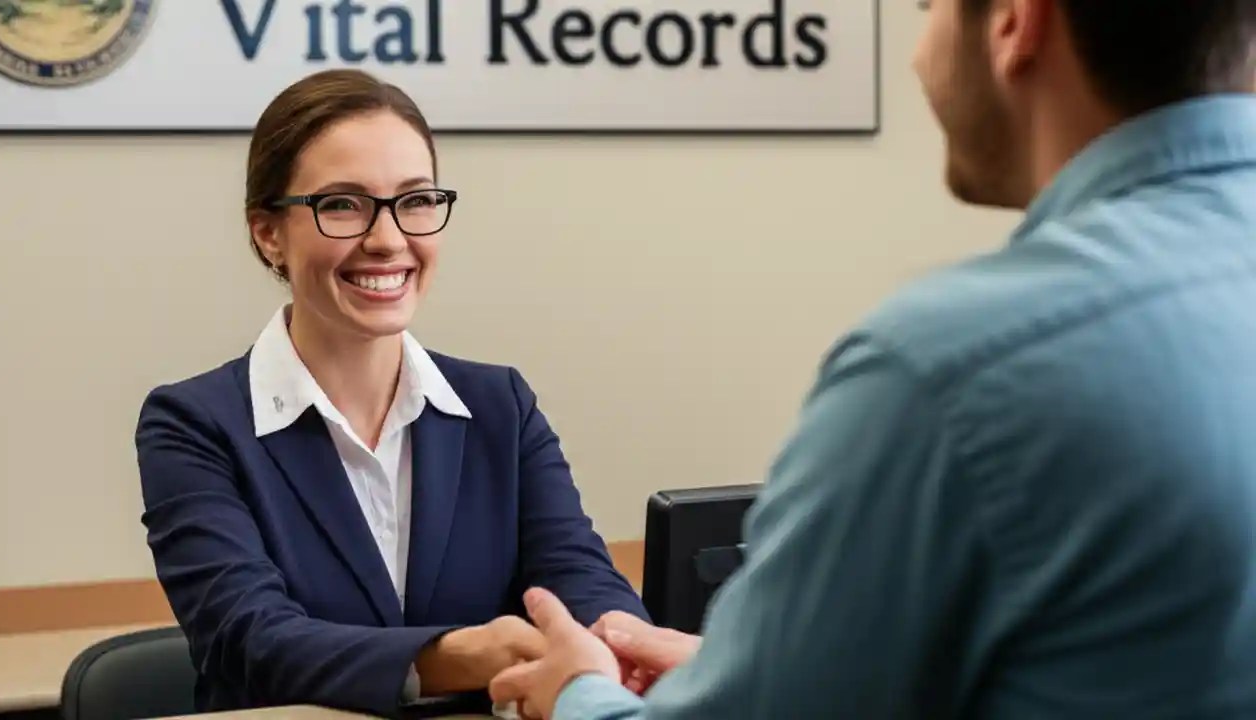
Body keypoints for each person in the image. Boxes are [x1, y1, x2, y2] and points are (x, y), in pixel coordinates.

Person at [489, 0, 1256, 717]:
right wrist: (757, 670)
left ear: (1016, 24)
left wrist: (581, 696)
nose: (919, 59)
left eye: (927, 10)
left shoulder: (951, 368)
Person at [134, 69, 647, 718]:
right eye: (343, 204)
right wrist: (466, 654)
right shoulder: (194, 425)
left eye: (415, 200)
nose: (387, 239)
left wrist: (628, 644)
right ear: (268, 233)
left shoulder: (498, 406)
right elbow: (251, 640)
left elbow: (581, 577)